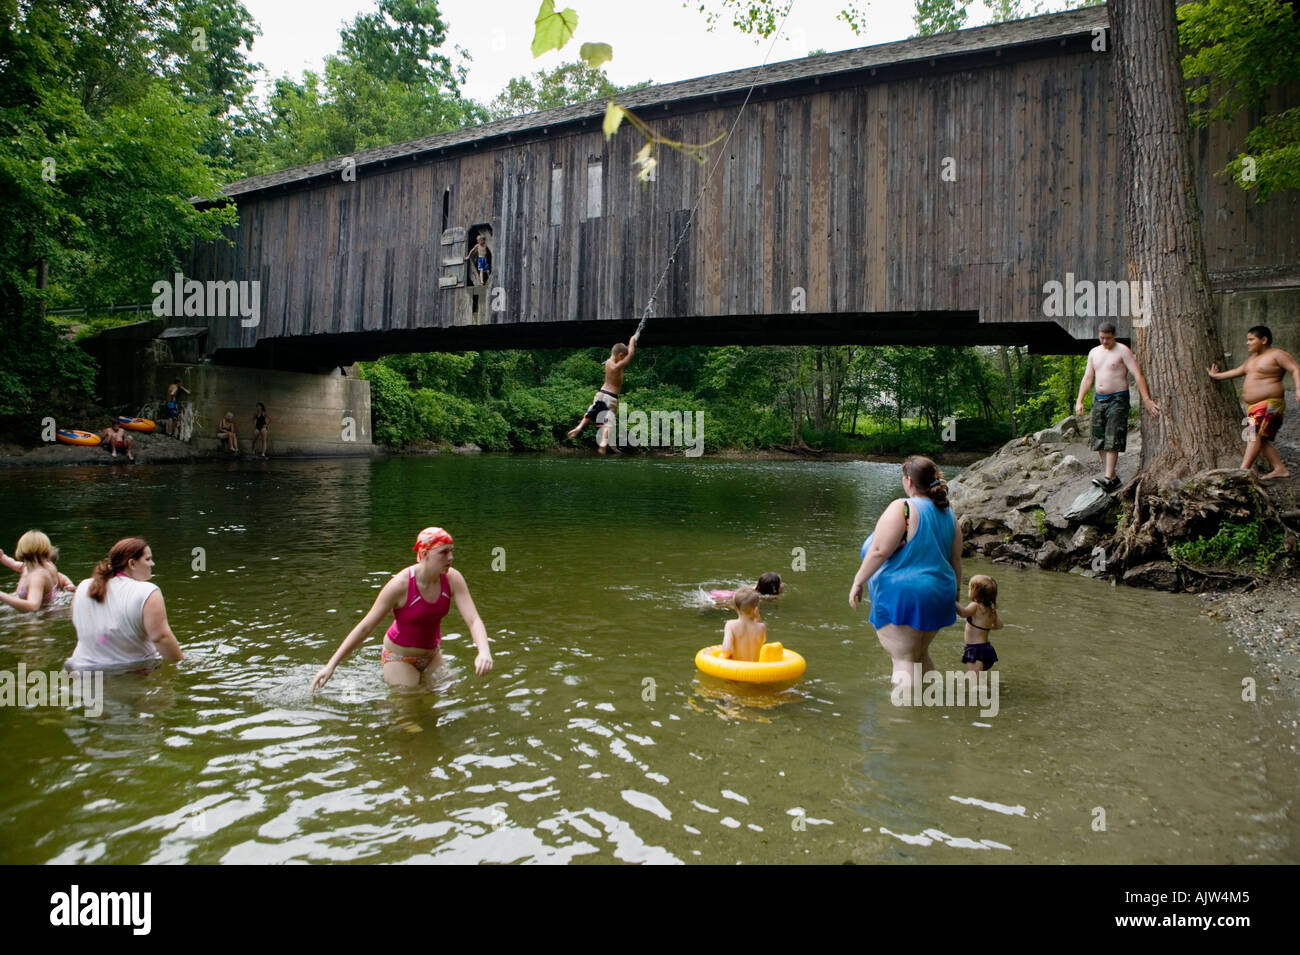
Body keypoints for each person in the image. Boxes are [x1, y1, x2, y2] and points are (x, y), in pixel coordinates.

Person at [311, 527, 493, 691]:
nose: (451, 558)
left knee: (451, 692)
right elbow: (365, 627)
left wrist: (484, 651)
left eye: (452, 551)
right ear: (425, 553)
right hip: (398, 658)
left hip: (432, 655)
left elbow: (473, 620)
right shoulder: (400, 585)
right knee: (410, 706)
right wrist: (331, 665)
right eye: (444, 552)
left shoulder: (453, 579)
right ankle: (387, 712)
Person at [849, 456, 963, 694]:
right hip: (941, 591)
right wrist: (956, 594)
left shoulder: (903, 508)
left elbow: (879, 551)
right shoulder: (949, 514)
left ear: (908, 480)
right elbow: (955, 561)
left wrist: (858, 581)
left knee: (903, 659)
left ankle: (905, 719)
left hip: (905, 593)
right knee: (920, 654)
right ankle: (932, 707)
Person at [67, 538, 183, 670]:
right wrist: (181, 664)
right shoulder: (148, 591)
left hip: (80, 667)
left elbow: (77, 619)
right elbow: (161, 638)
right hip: (128, 672)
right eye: (148, 559)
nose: (152, 564)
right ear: (132, 564)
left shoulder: (84, 586)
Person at [1074, 322, 1161, 492]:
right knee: (1099, 438)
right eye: (1101, 338)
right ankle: (1112, 477)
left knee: (1112, 437)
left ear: (1114, 335)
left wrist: (1147, 399)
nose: (1104, 341)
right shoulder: (1094, 352)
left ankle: (1108, 477)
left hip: (1118, 398)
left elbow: (1138, 374)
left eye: (1107, 338)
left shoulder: (1123, 351)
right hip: (1098, 398)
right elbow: (1087, 378)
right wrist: (1079, 400)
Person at [1208, 325, 1299, 480]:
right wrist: (1216, 376)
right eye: (1247, 340)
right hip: (1253, 407)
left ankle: (1243, 471)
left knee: (1254, 435)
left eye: (1251, 339)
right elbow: (1236, 372)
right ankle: (1280, 468)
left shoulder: (1277, 354)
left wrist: (1298, 388)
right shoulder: (1251, 360)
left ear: (1264, 340)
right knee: (1258, 438)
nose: (1247, 343)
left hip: (1270, 404)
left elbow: (1295, 369)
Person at [566, 333, 638, 454]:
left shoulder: (608, 362)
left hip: (601, 394)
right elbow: (630, 355)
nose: (624, 359)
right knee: (608, 421)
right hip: (611, 398)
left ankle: (579, 427)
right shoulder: (617, 367)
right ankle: (603, 444)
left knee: (590, 413)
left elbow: (625, 353)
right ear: (620, 356)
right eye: (623, 357)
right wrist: (632, 340)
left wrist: (630, 345)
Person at [0, 530, 75, 613]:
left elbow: (33, 606)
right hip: (49, 615)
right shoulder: (48, 567)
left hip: (37, 622)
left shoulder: (38, 576)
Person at [955, 574, 1003, 674]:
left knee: (975, 681)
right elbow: (999, 625)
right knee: (980, 678)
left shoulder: (975, 606)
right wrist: (986, 626)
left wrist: (953, 602)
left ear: (975, 592)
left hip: (975, 650)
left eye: (969, 588)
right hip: (987, 649)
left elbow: (963, 613)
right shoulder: (991, 610)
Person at [720, 587, 767, 662]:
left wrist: (721, 656)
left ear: (736, 608)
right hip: (756, 670)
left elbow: (726, 650)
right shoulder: (762, 627)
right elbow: (763, 642)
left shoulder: (731, 625)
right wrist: (758, 617)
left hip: (737, 671)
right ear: (756, 609)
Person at [709, 571, 784, 604]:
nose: (783, 584)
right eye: (780, 583)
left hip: (725, 593)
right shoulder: (767, 597)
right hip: (726, 599)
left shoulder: (755, 588)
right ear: (774, 589)